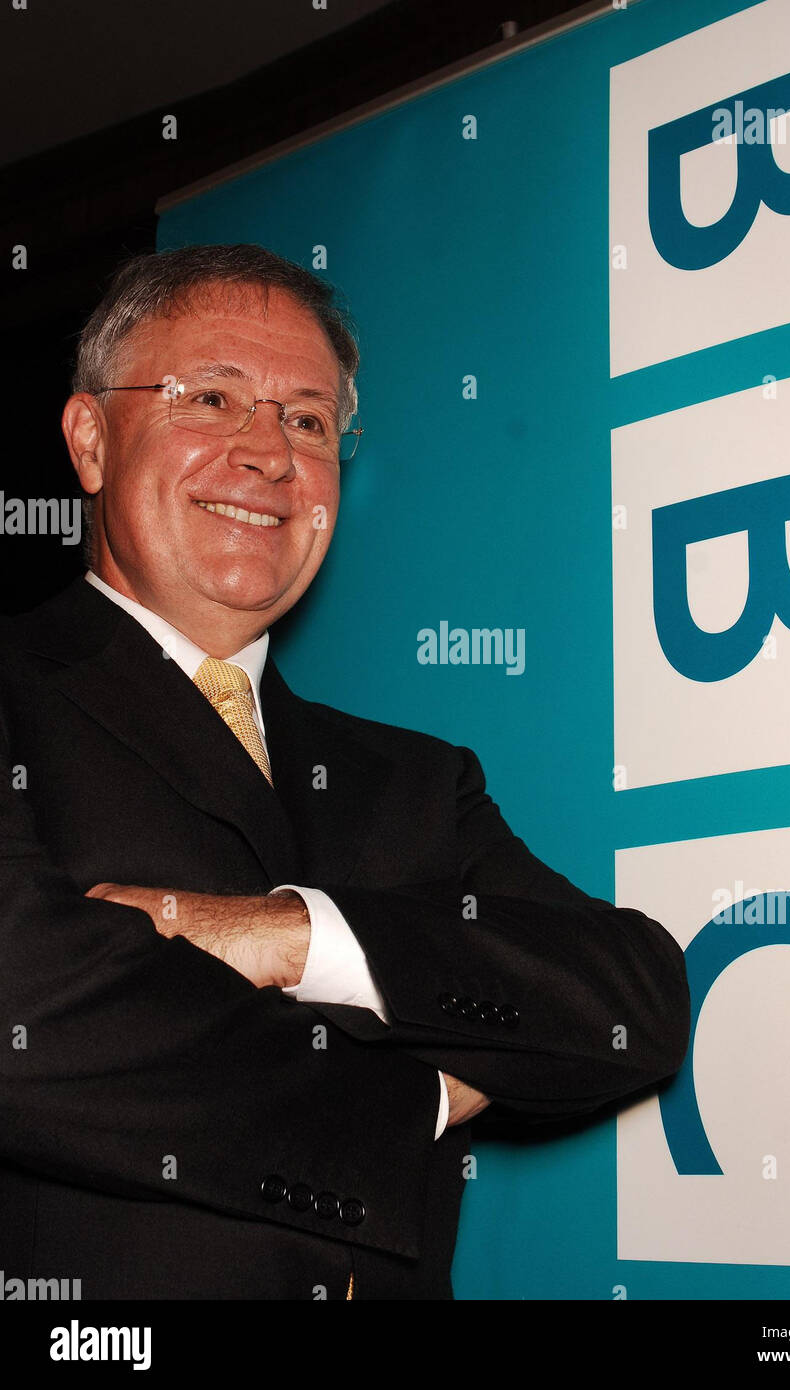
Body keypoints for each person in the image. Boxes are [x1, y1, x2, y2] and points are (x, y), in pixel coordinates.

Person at [0, 243, 689, 1300]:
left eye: (310, 421)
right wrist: (410, 1094)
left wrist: (296, 935)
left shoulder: (416, 779)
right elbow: (32, 1026)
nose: (268, 453)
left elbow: (632, 1002)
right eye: (215, 397)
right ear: (90, 439)